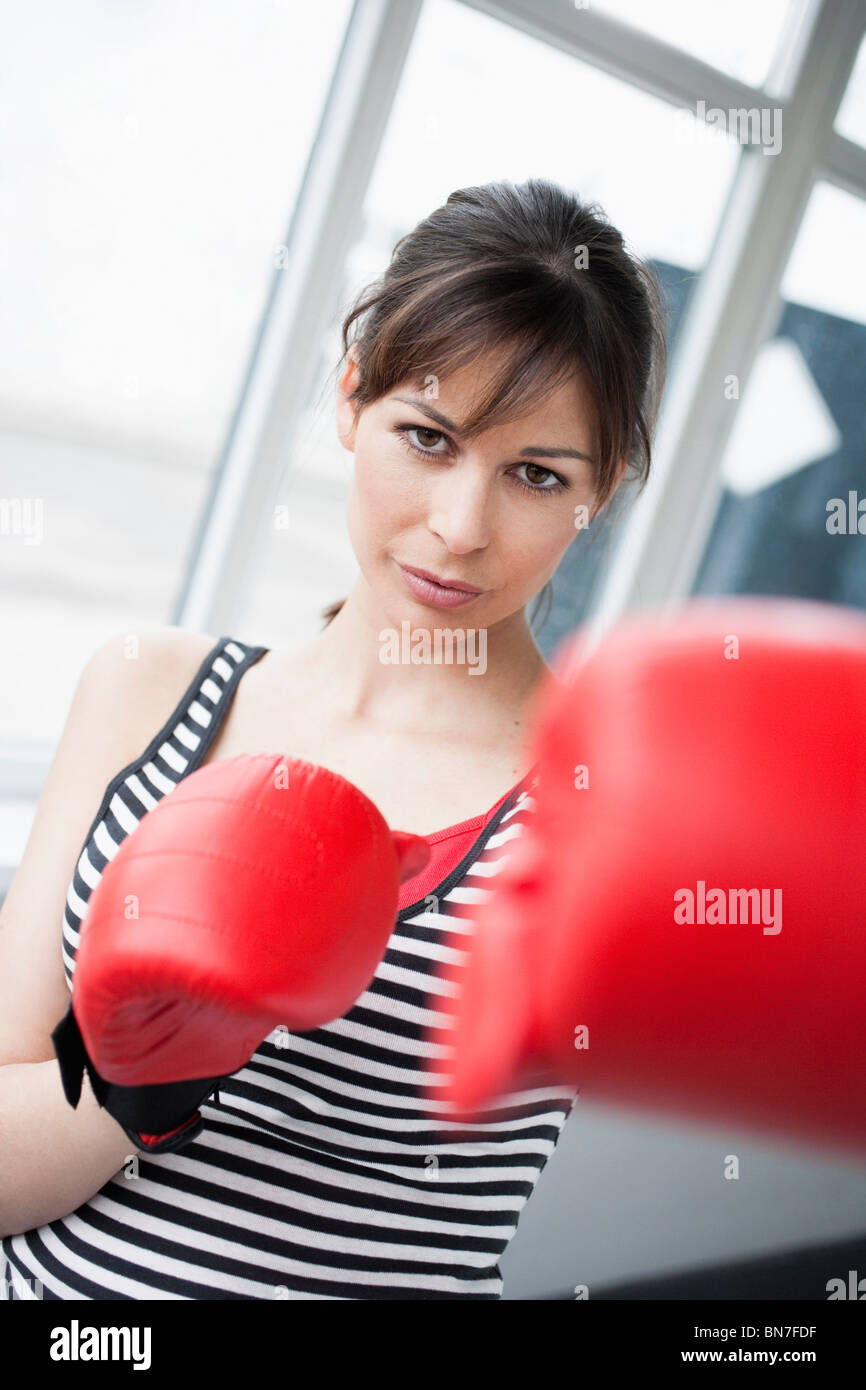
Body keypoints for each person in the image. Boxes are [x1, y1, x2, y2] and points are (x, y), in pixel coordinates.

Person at [0, 176, 666, 1300]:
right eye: (428, 436)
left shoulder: (610, 809)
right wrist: (134, 1084)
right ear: (350, 396)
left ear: (600, 492)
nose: (458, 529)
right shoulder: (146, 693)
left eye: (536, 474)